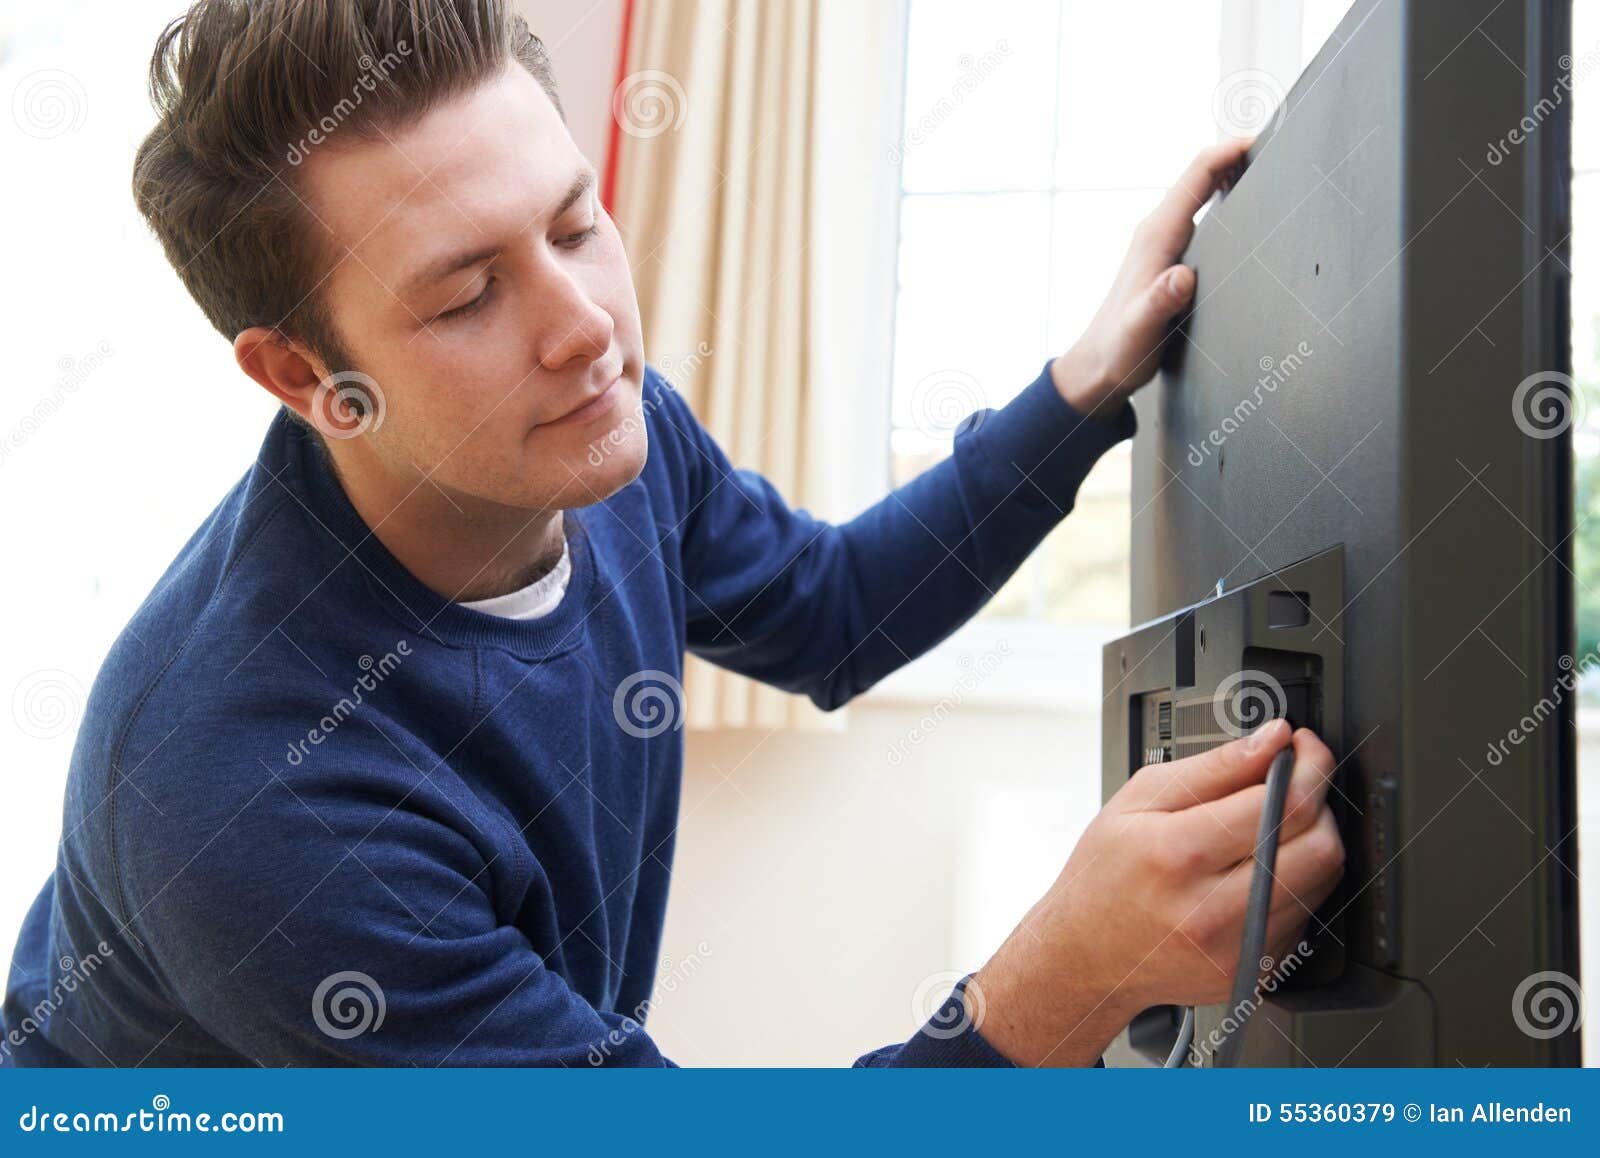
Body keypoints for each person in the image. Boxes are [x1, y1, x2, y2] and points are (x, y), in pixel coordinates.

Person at [1, 0, 1343, 1067]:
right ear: (303, 378)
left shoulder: (597, 437)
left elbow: (832, 610)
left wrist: (1080, 390)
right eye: (468, 293)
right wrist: (1067, 979)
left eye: (577, 222)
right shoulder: (254, 797)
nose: (585, 322)